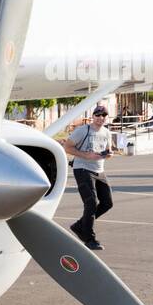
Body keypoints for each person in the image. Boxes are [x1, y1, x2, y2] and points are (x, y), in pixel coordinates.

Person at [63, 105, 114, 251]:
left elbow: (108, 150)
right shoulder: (83, 131)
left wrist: (109, 154)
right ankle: (89, 238)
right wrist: (86, 155)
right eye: (98, 115)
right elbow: (67, 147)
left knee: (107, 203)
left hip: (99, 171)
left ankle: (80, 226)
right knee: (91, 203)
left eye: (104, 115)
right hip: (83, 169)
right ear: (93, 116)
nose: (101, 118)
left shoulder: (106, 132)